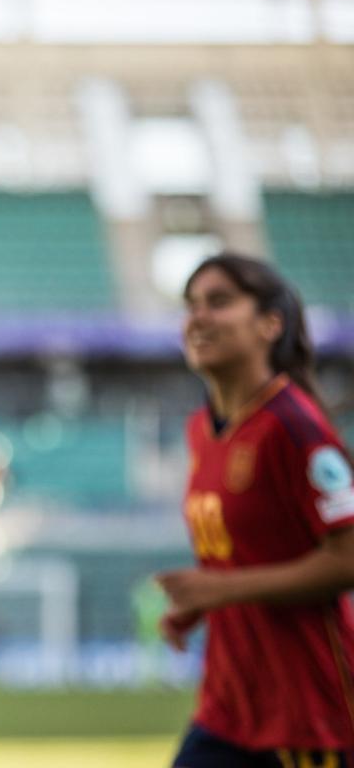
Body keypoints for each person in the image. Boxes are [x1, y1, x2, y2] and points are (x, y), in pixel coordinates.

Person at [157, 253, 354, 767]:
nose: (198, 317)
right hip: (228, 706)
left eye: (218, 302)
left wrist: (221, 589)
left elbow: (349, 557)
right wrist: (204, 601)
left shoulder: (295, 427)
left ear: (271, 323)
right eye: (191, 305)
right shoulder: (201, 429)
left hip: (305, 712)